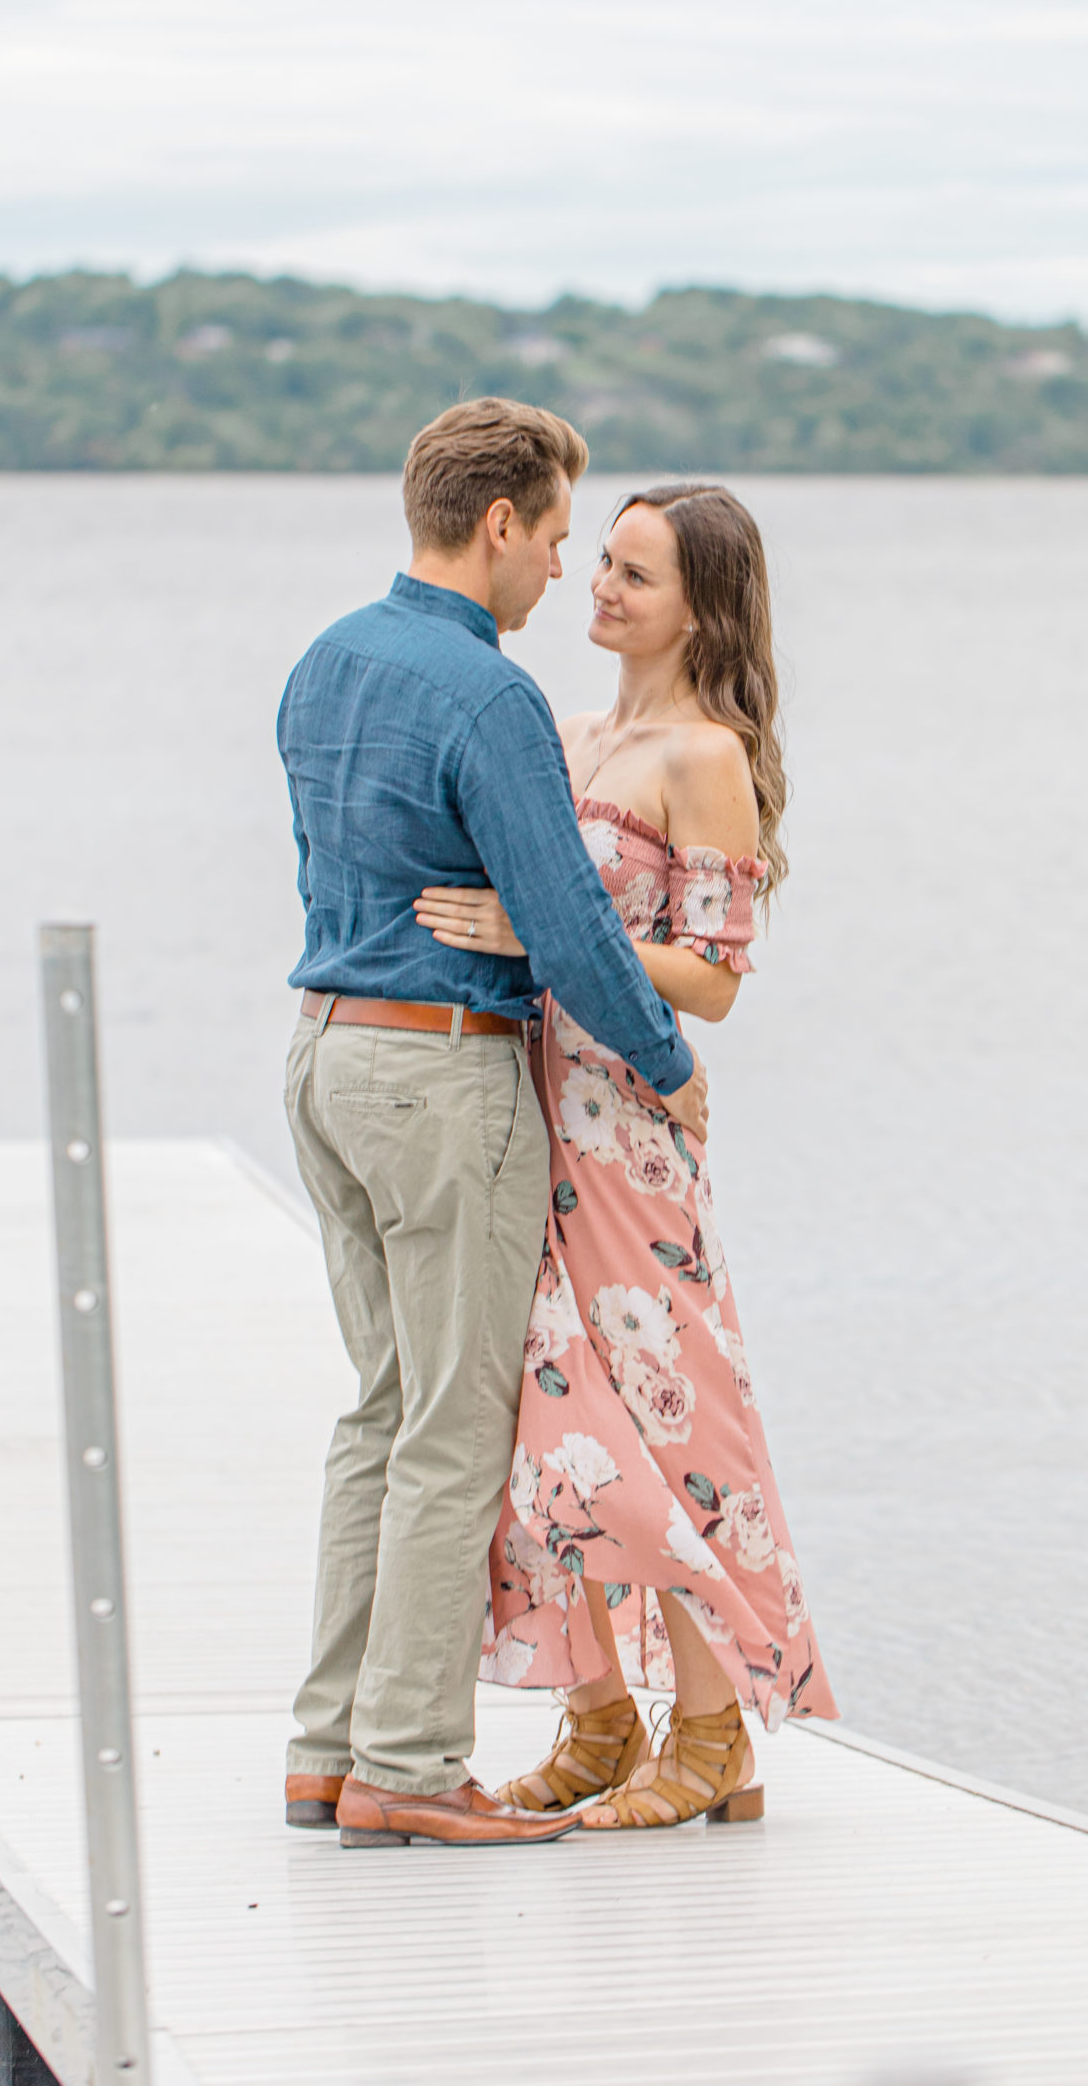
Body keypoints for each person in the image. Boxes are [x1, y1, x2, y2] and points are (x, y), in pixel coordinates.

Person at [278, 401, 709, 1849]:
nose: (558, 575)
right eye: (556, 541)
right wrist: (667, 1063)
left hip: (325, 1057)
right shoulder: (490, 697)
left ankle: (325, 1748)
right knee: (456, 1431)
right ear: (501, 525)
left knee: (380, 1414)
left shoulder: (324, 658)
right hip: (437, 1076)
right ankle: (405, 1764)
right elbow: (577, 929)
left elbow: (323, 870)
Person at [413, 482, 836, 1830]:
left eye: (635, 574)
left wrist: (529, 937)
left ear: (703, 605)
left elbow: (710, 983)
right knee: (548, 1430)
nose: (598, 587)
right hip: (524, 1107)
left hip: (627, 1136)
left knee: (662, 1426)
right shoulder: (570, 728)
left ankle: (712, 1736)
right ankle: (598, 1722)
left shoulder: (701, 756)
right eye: (599, 562)